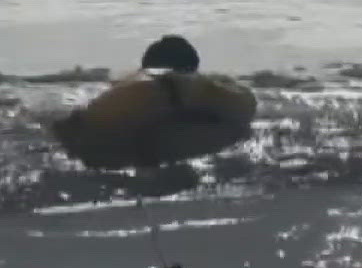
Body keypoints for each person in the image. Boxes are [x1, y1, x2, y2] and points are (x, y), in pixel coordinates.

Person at [46, 35, 258, 170]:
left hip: (114, 142)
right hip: (187, 138)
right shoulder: (217, 92)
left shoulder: (125, 89)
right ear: (192, 68)